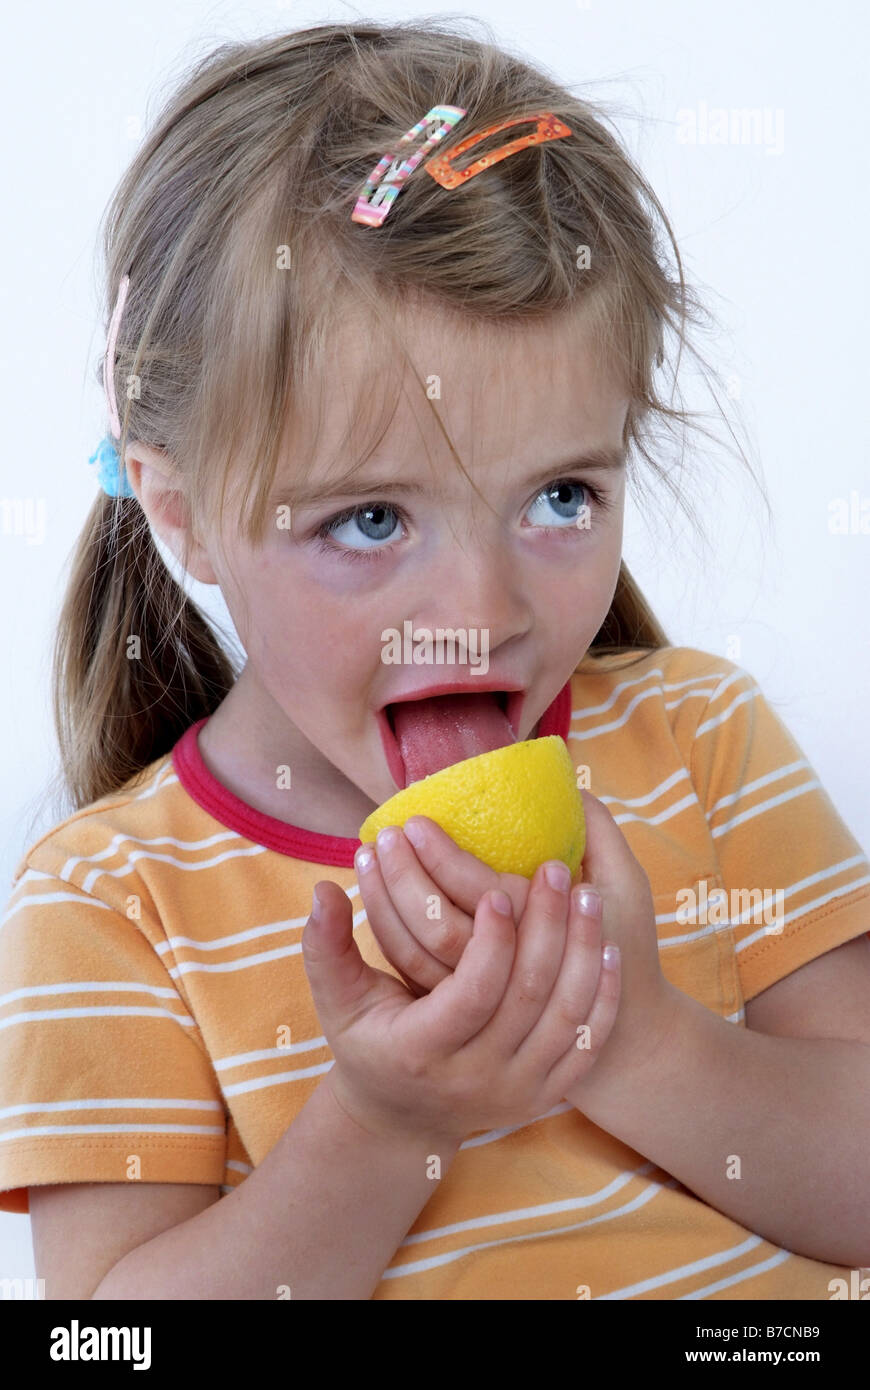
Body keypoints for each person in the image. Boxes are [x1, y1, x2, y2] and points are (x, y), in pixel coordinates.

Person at [2, 21, 869, 1301]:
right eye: (369, 520)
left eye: (561, 498)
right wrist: (383, 1124)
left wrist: (632, 1045)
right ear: (174, 506)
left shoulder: (703, 741)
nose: (482, 609)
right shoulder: (114, 903)